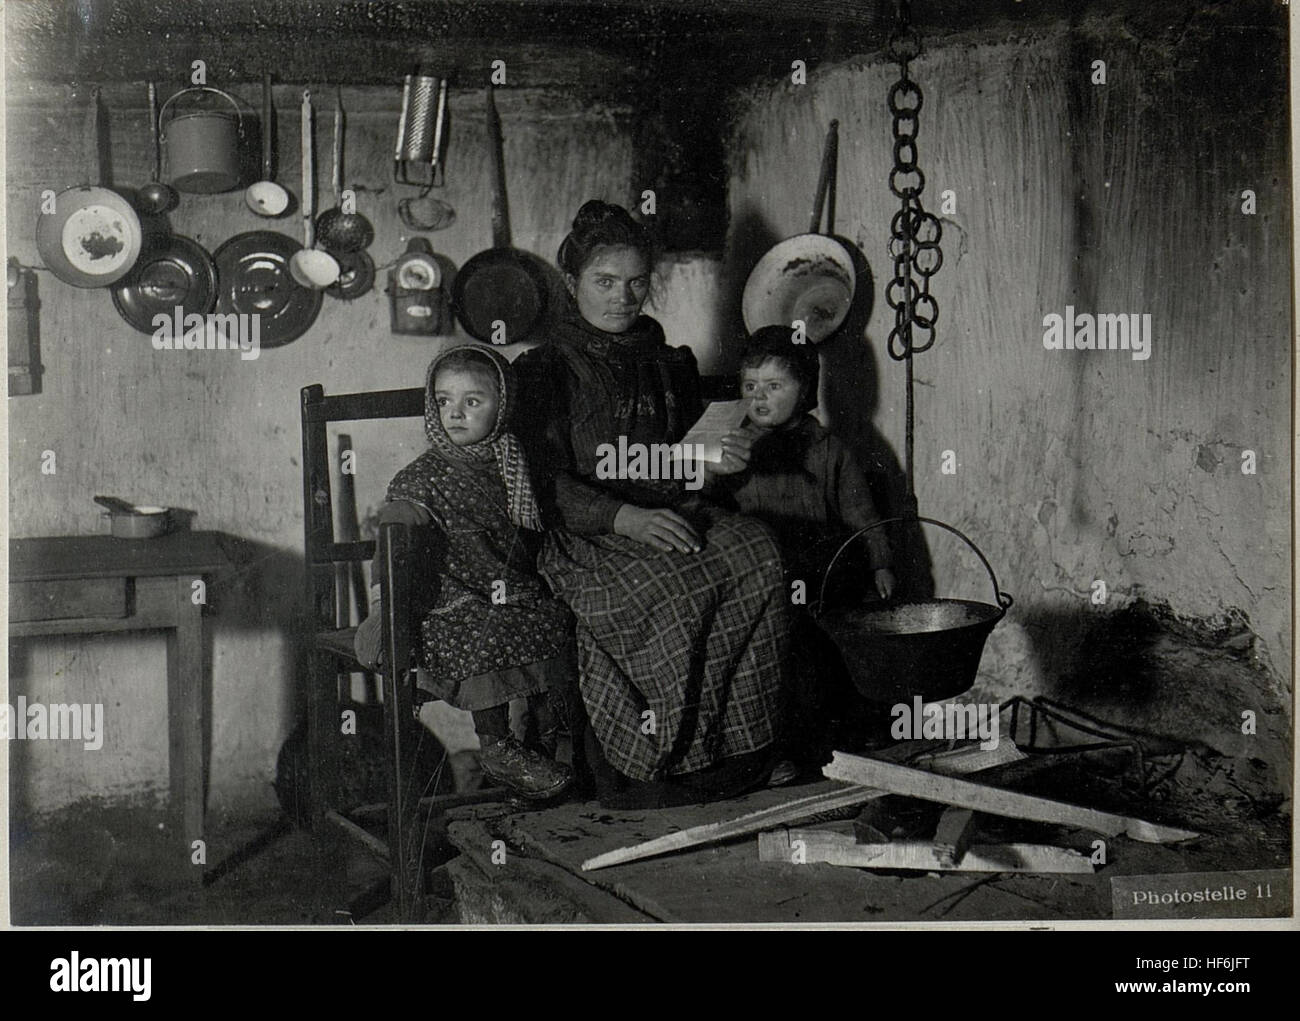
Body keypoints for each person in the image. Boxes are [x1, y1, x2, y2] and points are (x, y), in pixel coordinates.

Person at [513, 200, 792, 808]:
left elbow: (683, 455)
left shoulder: (668, 360)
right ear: (571, 283)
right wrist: (626, 517)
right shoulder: (545, 370)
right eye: (604, 282)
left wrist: (719, 454)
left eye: (637, 282)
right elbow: (541, 482)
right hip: (588, 533)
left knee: (759, 553)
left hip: (667, 513)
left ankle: (743, 753)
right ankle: (662, 767)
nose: (622, 297)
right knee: (674, 590)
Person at [353, 345, 573, 800]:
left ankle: (542, 742)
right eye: (443, 401)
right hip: (444, 595)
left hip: (507, 586)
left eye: (472, 401)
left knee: (555, 621)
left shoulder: (513, 466)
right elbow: (395, 533)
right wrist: (385, 597)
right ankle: (496, 747)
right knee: (481, 631)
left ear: (503, 406)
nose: (455, 413)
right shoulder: (423, 478)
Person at [720, 325, 897, 763]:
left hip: (820, 571)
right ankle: (779, 746)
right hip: (759, 574)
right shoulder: (733, 448)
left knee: (829, 652)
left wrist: (881, 563)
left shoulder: (829, 448)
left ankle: (845, 735)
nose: (759, 397)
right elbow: (704, 504)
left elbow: (862, 515)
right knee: (773, 661)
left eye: (775, 386)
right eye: (750, 385)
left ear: (804, 391)